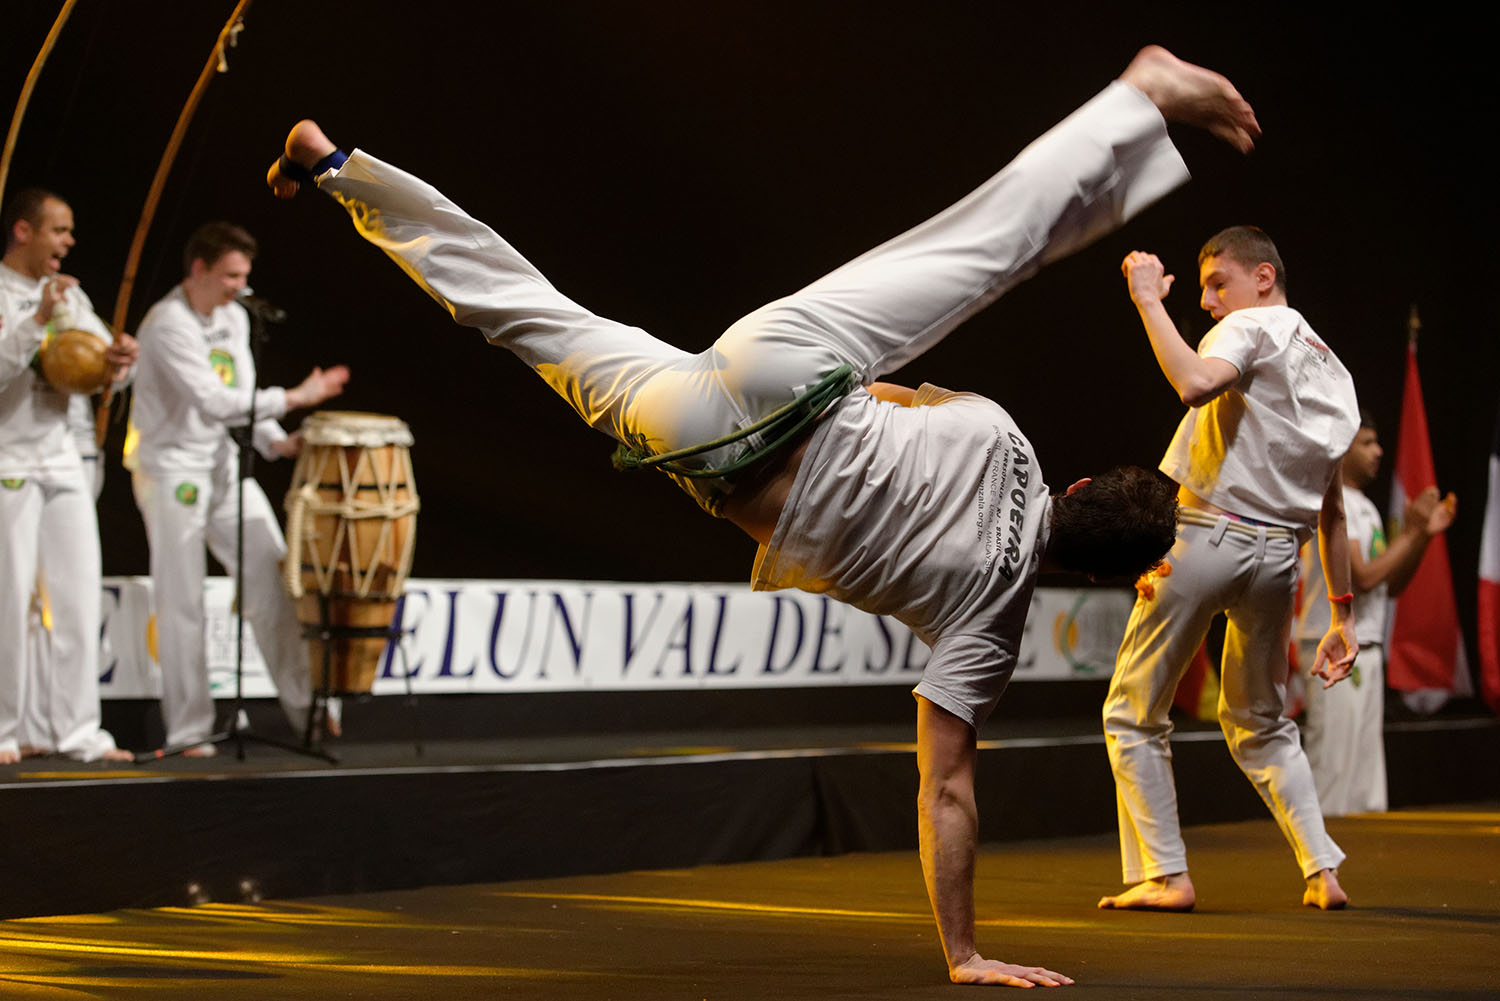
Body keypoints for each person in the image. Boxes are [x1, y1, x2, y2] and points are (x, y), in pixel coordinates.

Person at [267, 46, 1259, 987]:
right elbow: (947, 788)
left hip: (787, 365)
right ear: (1087, 575)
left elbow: (903, 390)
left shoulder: (1002, 434)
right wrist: (964, 951)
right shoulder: (987, 634)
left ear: (1079, 487)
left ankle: (1135, 97)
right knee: (519, 309)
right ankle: (339, 172)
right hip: (706, 445)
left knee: (984, 247)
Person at [1098, 226, 1361, 914]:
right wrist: (1343, 614)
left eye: (1219, 283)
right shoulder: (1333, 372)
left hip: (1210, 536)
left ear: (1264, 278)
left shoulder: (1252, 329)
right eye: (1204, 288)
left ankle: (1165, 872)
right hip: (1279, 557)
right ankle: (1321, 868)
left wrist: (1148, 299)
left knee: (1131, 709)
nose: (1211, 302)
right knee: (1260, 720)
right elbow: (1331, 509)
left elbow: (1191, 384)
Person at [125, 222, 349, 756]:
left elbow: (241, 393)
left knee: (273, 577)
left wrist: (276, 443)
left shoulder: (233, 317)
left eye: (245, 276)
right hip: (172, 471)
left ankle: (309, 712)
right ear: (198, 269)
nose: (239, 287)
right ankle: (190, 730)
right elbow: (214, 402)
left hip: (224, 467)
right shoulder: (167, 324)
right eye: (230, 275)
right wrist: (298, 395)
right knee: (181, 600)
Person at [0, 187, 137, 763]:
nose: (69, 242)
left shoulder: (70, 298)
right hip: (8, 460)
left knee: (79, 594)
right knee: (8, 600)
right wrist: (36, 320)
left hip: (61, 459)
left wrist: (119, 364)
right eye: (59, 230)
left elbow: (99, 368)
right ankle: (5, 730)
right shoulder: (12, 296)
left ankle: (81, 731)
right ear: (24, 232)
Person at [1297, 410, 1456, 815]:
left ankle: (1362, 862)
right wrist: (1413, 531)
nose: (1378, 451)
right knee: (1333, 769)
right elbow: (1361, 579)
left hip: (1366, 647)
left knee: (1366, 781)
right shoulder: (1332, 500)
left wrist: (1421, 538)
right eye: (1366, 442)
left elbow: (1390, 585)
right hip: (1328, 645)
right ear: (1343, 448)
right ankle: (1316, 861)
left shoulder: (1364, 505)